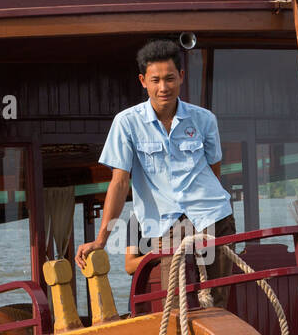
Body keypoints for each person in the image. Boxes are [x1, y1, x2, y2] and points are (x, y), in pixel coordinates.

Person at [75, 39, 235, 306]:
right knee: (172, 305)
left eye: (170, 78)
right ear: (143, 81)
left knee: (216, 304)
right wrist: (101, 240)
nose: (163, 87)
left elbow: (214, 170)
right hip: (166, 225)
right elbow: (119, 182)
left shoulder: (205, 119)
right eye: (156, 80)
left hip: (214, 216)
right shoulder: (126, 123)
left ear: (181, 77)